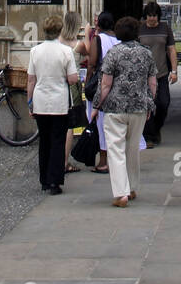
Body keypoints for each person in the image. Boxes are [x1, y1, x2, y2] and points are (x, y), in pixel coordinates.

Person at [92, 16, 158, 207]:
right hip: (138, 107)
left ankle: (121, 193)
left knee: (115, 149)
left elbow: (105, 84)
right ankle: (131, 188)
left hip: (115, 108)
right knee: (132, 148)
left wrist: (96, 106)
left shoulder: (113, 52)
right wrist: (150, 104)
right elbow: (152, 82)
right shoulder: (146, 53)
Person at [27, 14, 80, 194]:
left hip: (40, 101)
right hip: (59, 102)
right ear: (59, 30)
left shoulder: (35, 51)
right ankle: (54, 182)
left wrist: (30, 103)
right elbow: (73, 78)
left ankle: (43, 180)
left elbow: (31, 80)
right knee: (58, 141)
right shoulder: (66, 51)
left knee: (44, 142)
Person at [139, 2, 178, 147]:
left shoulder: (165, 28)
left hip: (161, 73)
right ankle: (149, 136)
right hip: (143, 75)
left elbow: (171, 50)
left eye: (154, 16)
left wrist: (174, 71)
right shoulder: (140, 29)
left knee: (163, 103)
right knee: (146, 105)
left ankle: (156, 128)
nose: (152, 19)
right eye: (149, 16)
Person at [85, 11, 117, 174]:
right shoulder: (118, 40)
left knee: (100, 123)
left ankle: (103, 161)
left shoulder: (98, 39)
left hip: (101, 86)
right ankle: (116, 160)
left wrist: (87, 82)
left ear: (99, 25)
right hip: (116, 88)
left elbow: (91, 64)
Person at [59, 10, 89, 173]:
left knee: (57, 124)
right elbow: (91, 54)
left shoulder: (56, 42)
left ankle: (56, 160)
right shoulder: (78, 45)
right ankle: (64, 162)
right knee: (69, 125)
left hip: (57, 84)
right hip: (72, 85)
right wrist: (88, 33)